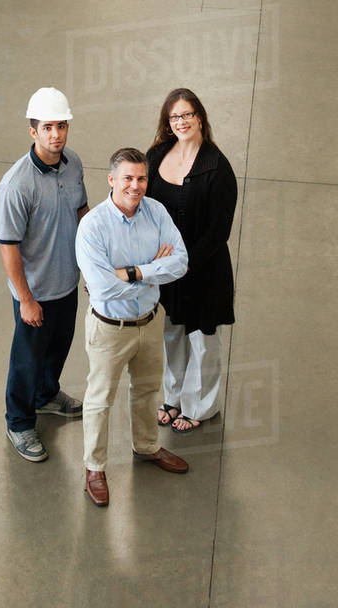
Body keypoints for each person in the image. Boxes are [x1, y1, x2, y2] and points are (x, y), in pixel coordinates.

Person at [75, 147, 190, 506]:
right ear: (111, 180)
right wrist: (153, 271)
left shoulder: (156, 212)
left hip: (150, 321)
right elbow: (102, 288)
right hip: (110, 328)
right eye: (127, 178)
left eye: (141, 178)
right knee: (100, 399)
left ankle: (146, 446)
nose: (135, 186)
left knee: (146, 389)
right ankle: (95, 468)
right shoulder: (92, 227)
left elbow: (181, 262)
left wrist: (133, 271)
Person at [0, 87, 89, 462]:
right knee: (26, 360)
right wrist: (26, 299)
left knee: (59, 346)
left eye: (62, 126)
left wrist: (92, 266)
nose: (57, 135)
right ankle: (19, 422)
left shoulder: (74, 163)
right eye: (48, 127)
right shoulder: (17, 185)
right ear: (32, 131)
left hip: (66, 282)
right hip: (35, 291)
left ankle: (47, 395)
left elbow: (84, 214)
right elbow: (9, 247)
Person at [146, 89, 238, 434]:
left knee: (202, 338)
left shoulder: (218, 167)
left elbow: (219, 232)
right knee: (171, 333)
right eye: (175, 117)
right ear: (167, 123)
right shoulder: (156, 156)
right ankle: (173, 398)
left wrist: (184, 262)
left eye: (187, 115)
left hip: (203, 268)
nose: (182, 122)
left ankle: (200, 404)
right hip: (166, 267)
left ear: (200, 117)